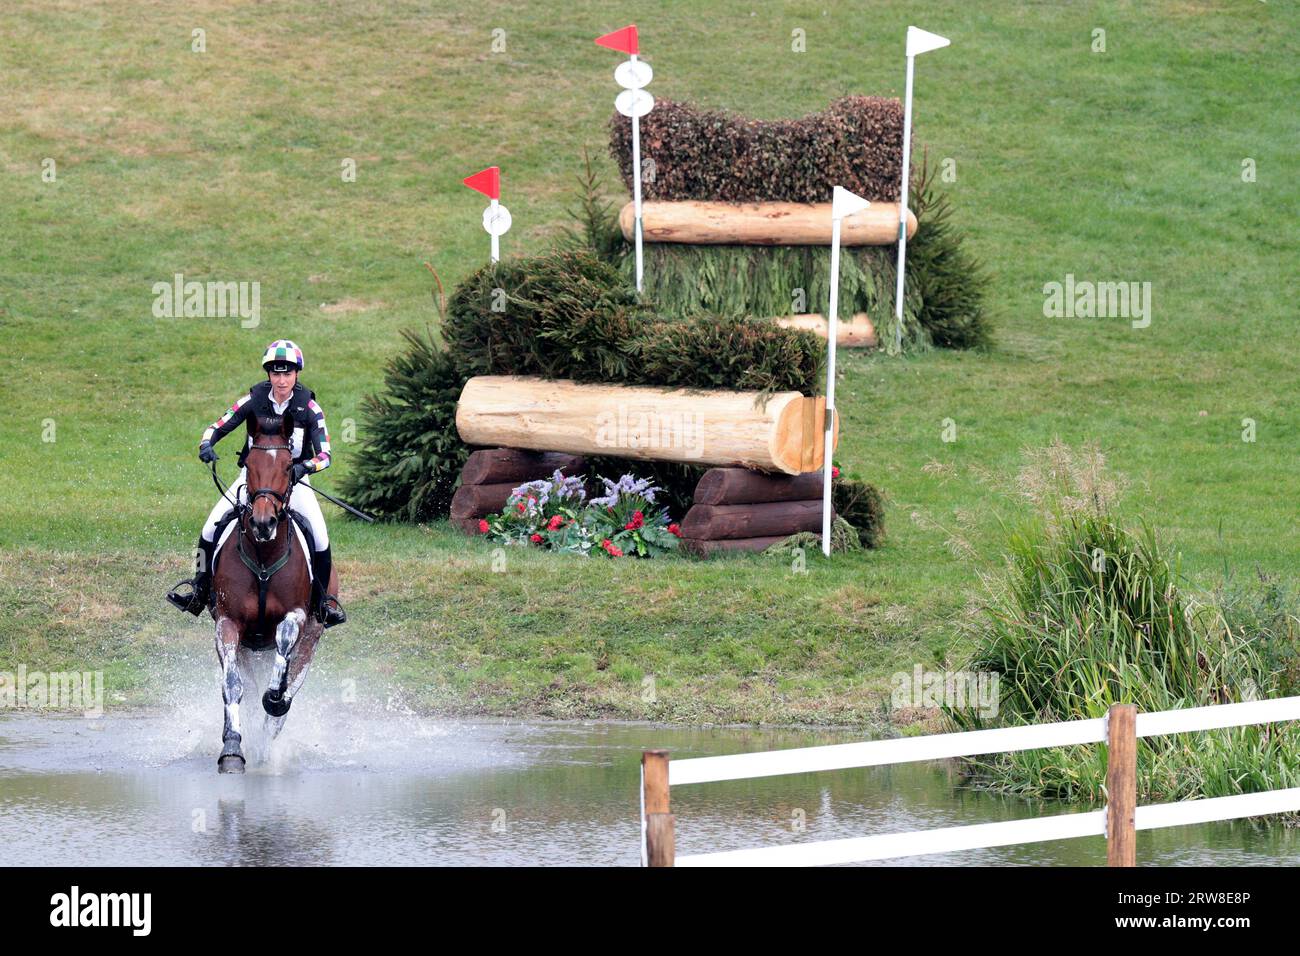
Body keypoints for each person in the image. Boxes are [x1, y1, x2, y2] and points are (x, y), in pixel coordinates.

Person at [166, 339, 346, 628]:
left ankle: (323, 602)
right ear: (269, 375)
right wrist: (206, 445)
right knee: (210, 528)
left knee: (320, 538)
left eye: (287, 373)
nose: (282, 380)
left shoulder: (310, 407)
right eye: (276, 373)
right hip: (251, 481)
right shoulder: (252, 400)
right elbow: (216, 426)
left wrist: (304, 466)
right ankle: (198, 590)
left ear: (296, 375)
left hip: (294, 482)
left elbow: (325, 454)